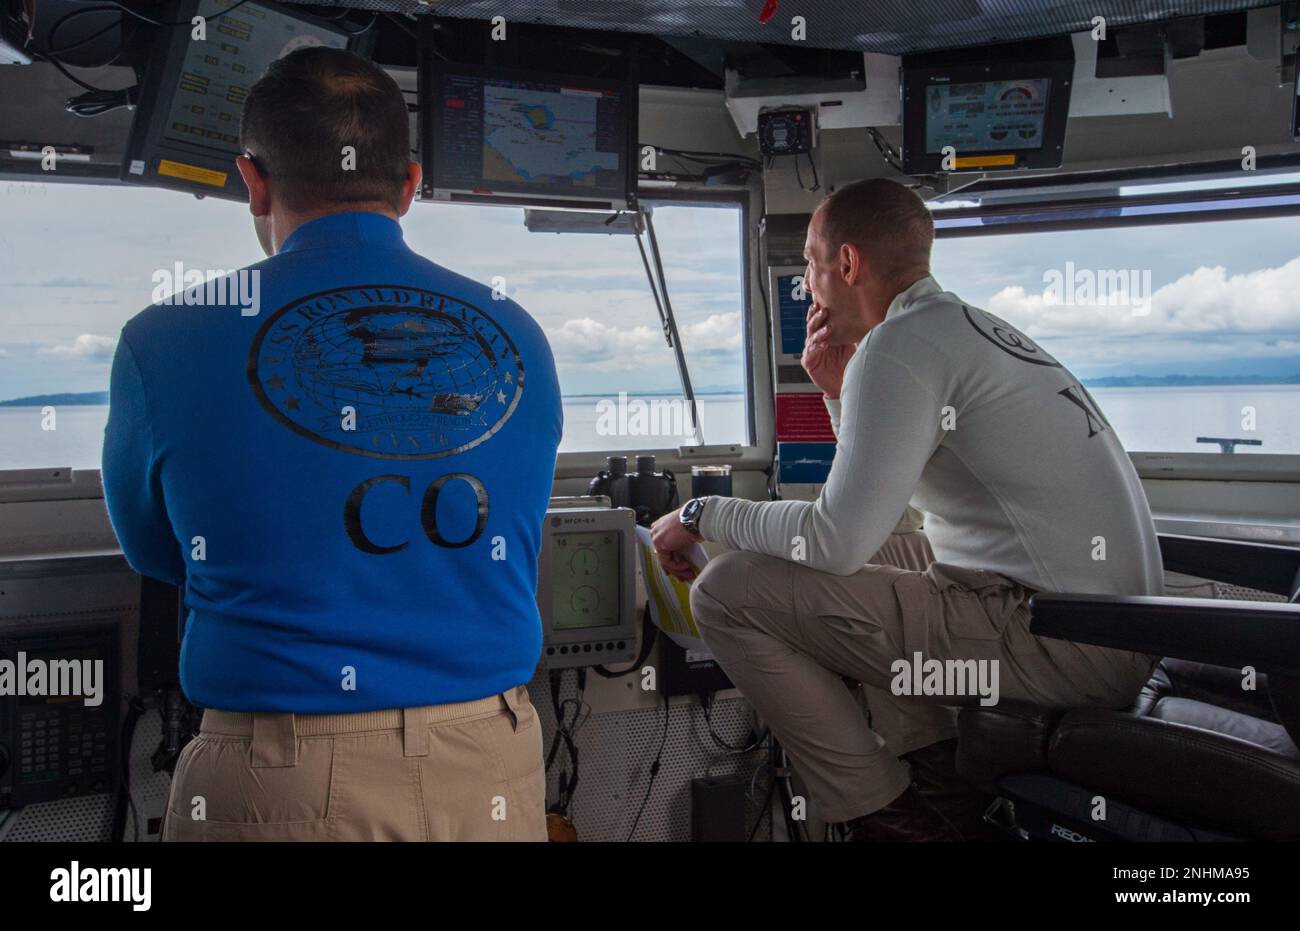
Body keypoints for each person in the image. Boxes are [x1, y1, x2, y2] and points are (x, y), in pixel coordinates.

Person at [102, 48, 562, 841]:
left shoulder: (161, 341)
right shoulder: (518, 335)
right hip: (490, 766)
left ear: (253, 180)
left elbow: (158, 554)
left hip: (277, 779)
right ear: (411, 184)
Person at [651, 178, 1163, 841]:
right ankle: (946, 787)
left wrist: (700, 512)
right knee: (843, 560)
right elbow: (874, 510)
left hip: (1063, 639)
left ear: (848, 263)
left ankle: (891, 820)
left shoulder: (899, 347)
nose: (806, 283)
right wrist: (838, 393)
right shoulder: (955, 329)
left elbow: (834, 540)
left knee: (727, 590)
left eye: (809, 261)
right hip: (1097, 624)